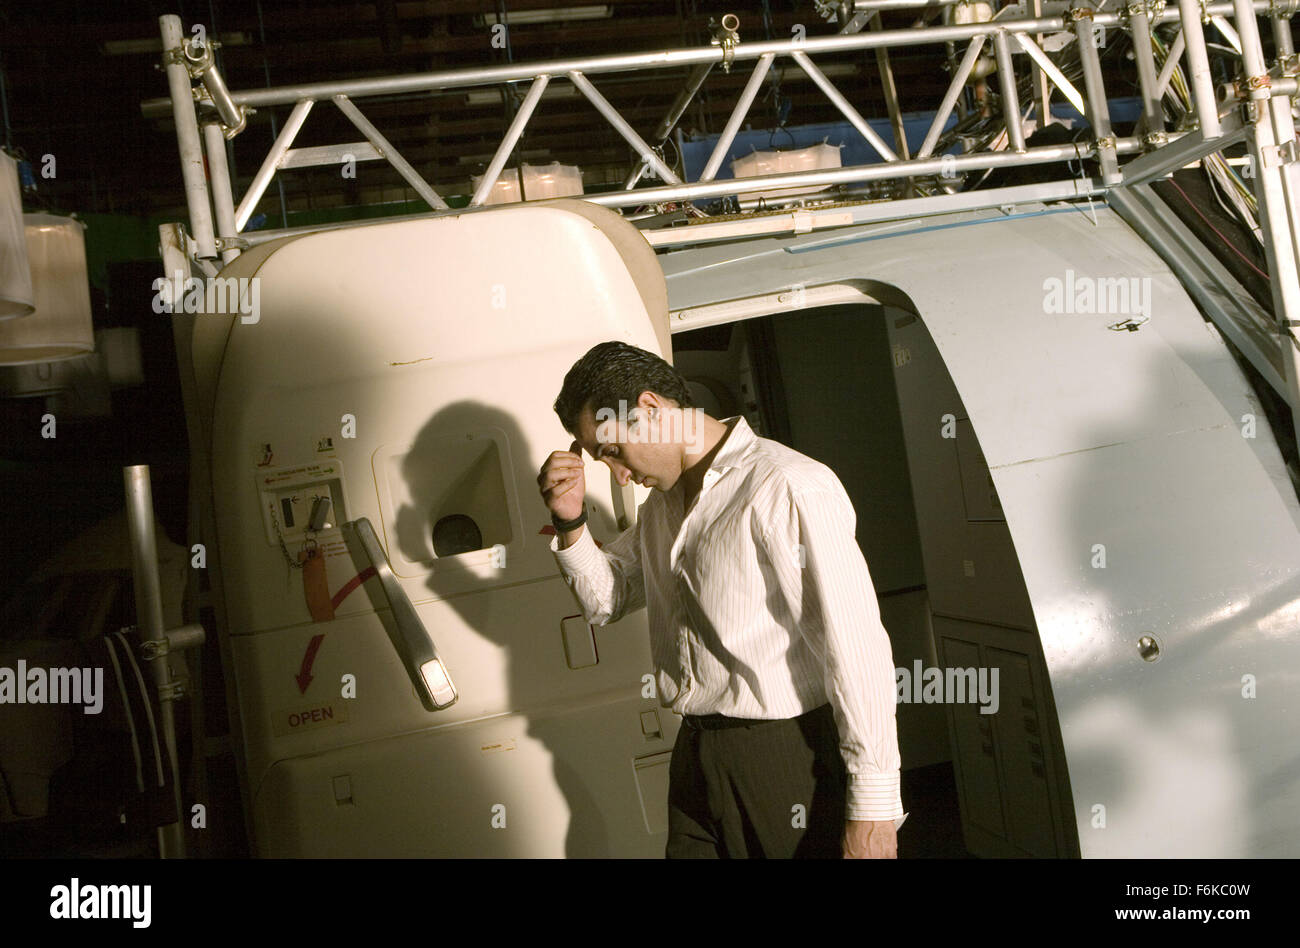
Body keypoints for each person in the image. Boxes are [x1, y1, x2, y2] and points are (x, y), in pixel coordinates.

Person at [537, 340, 905, 858]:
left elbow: (857, 648)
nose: (618, 474)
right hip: (695, 751)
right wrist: (571, 521)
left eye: (614, 451)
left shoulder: (786, 486)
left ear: (650, 409)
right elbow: (607, 601)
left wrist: (873, 811)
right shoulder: (662, 506)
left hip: (782, 756)